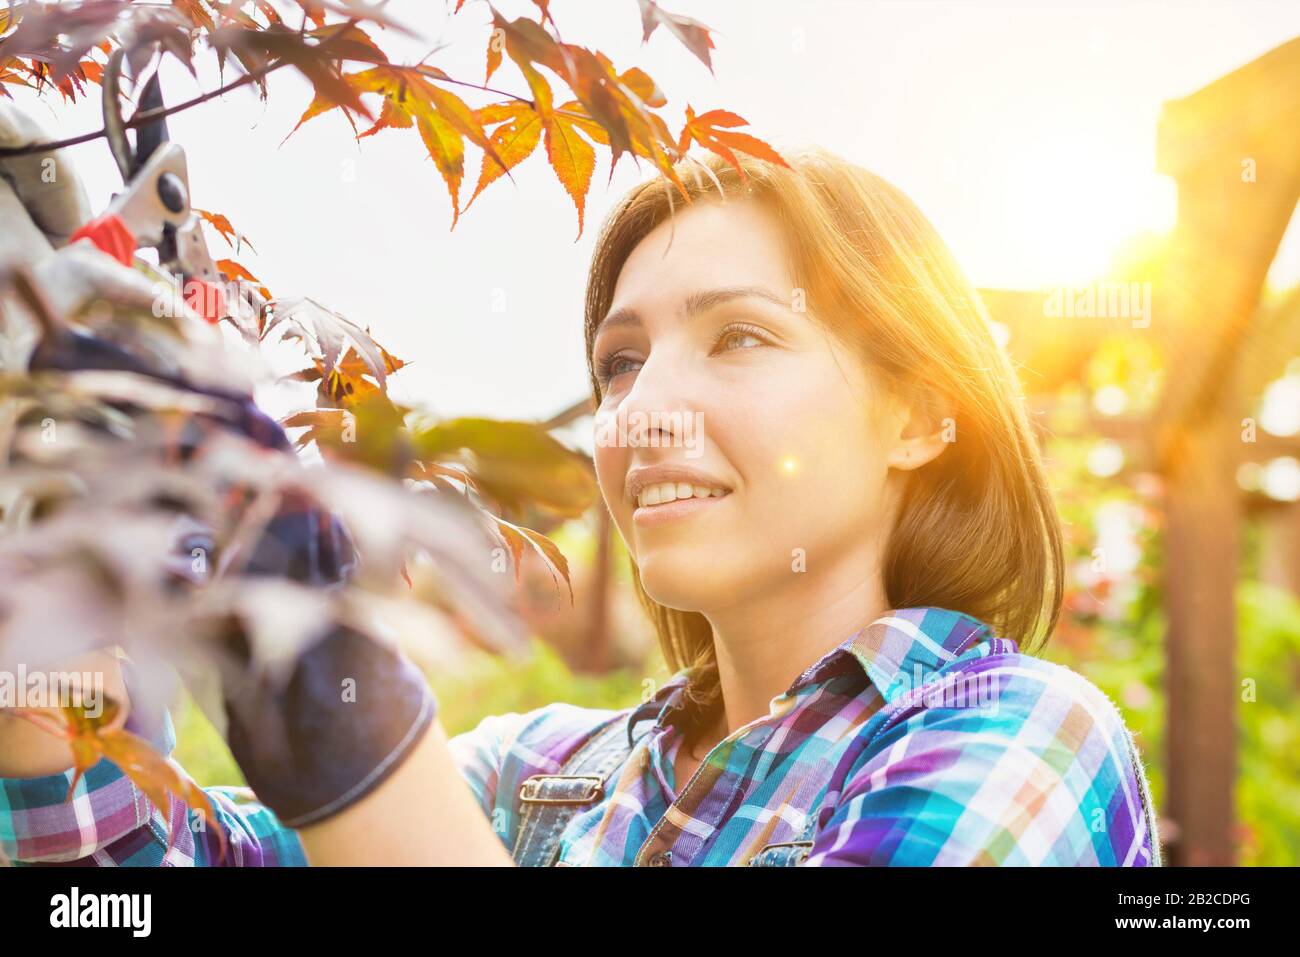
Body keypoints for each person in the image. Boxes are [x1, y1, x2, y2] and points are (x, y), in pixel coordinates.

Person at [0, 103, 1163, 866]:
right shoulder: (550, 780)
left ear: (917, 412)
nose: (641, 409)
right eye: (620, 360)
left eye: (743, 338)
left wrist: (323, 686)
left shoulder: (1019, 742)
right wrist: (55, 651)